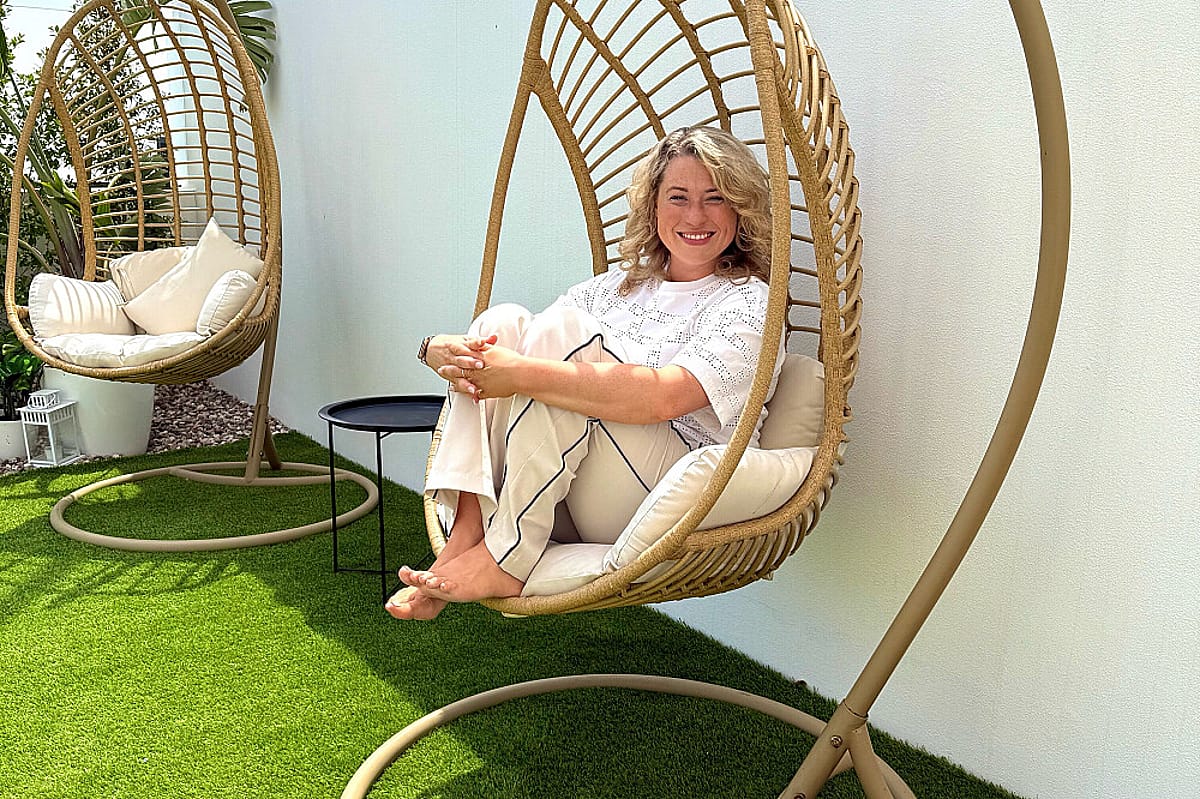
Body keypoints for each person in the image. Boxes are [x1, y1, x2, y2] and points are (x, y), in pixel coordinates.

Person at [387, 125, 781, 621]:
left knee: (559, 336)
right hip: (571, 480)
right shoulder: (618, 286)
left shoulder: (749, 302)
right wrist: (436, 350)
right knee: (500, 322)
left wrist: (520, 374)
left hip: (655, 489)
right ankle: (466, 531)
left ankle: (508, 554)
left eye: (715, 198)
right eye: (677, 197)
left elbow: (663, 399)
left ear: (741, 209)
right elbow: (518, 347)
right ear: (654, 208)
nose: (695, 216)